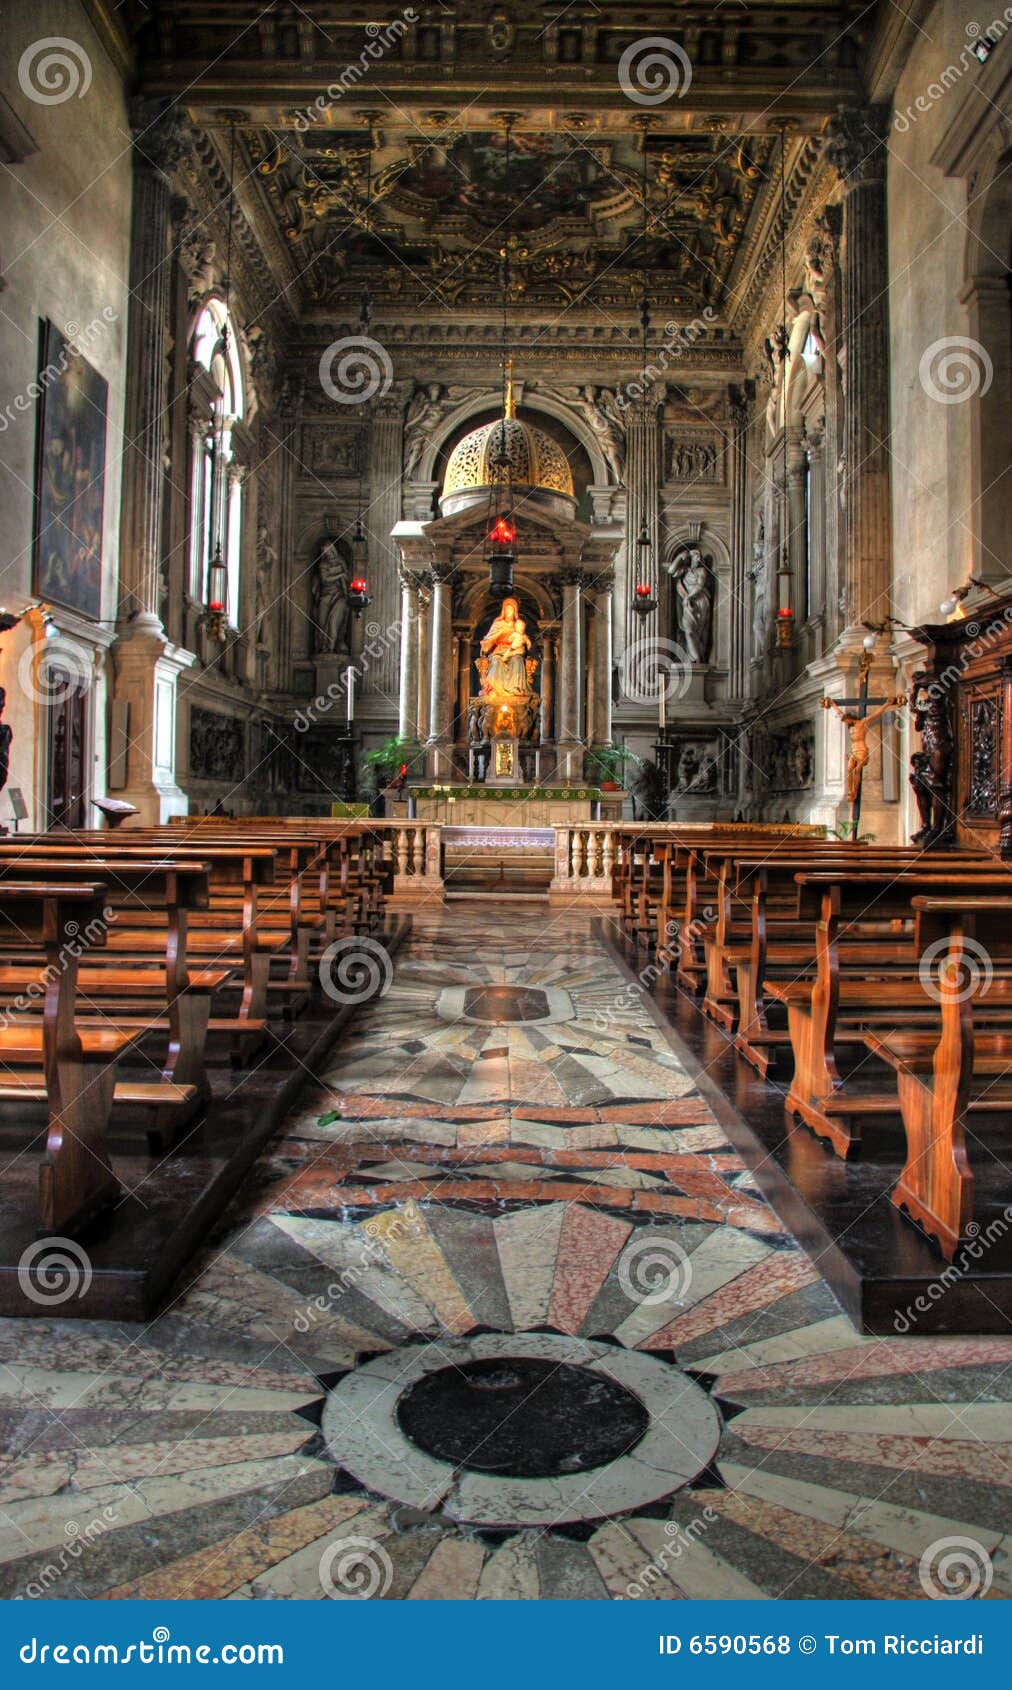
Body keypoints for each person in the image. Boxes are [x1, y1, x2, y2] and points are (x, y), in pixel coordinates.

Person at [822, 692, 906, 805]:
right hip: (853, 751)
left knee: (858, 769)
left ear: (850, 719)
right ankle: (849, 791)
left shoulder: (862, 723)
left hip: (862, 750)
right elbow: (840, 714)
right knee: (849, 769)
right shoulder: (849, 725)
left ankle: (855, 792)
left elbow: (876, 714)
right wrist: (833, 705)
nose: (845, 722)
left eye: (846, 721)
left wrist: (886, 704)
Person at [479, 597, 532, 697]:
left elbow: (522, 639)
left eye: (511, 609)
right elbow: (490, 638)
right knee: (496, 662)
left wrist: (525, 642)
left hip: (514, 651)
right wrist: (492, 639)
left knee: (517, 661)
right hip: (499, 650)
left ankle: (516, 689)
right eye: (507, 609)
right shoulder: (498, 623)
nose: (509, 612)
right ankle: (494, 690)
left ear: (514, 611)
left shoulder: (518, 624)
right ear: (503, 610)